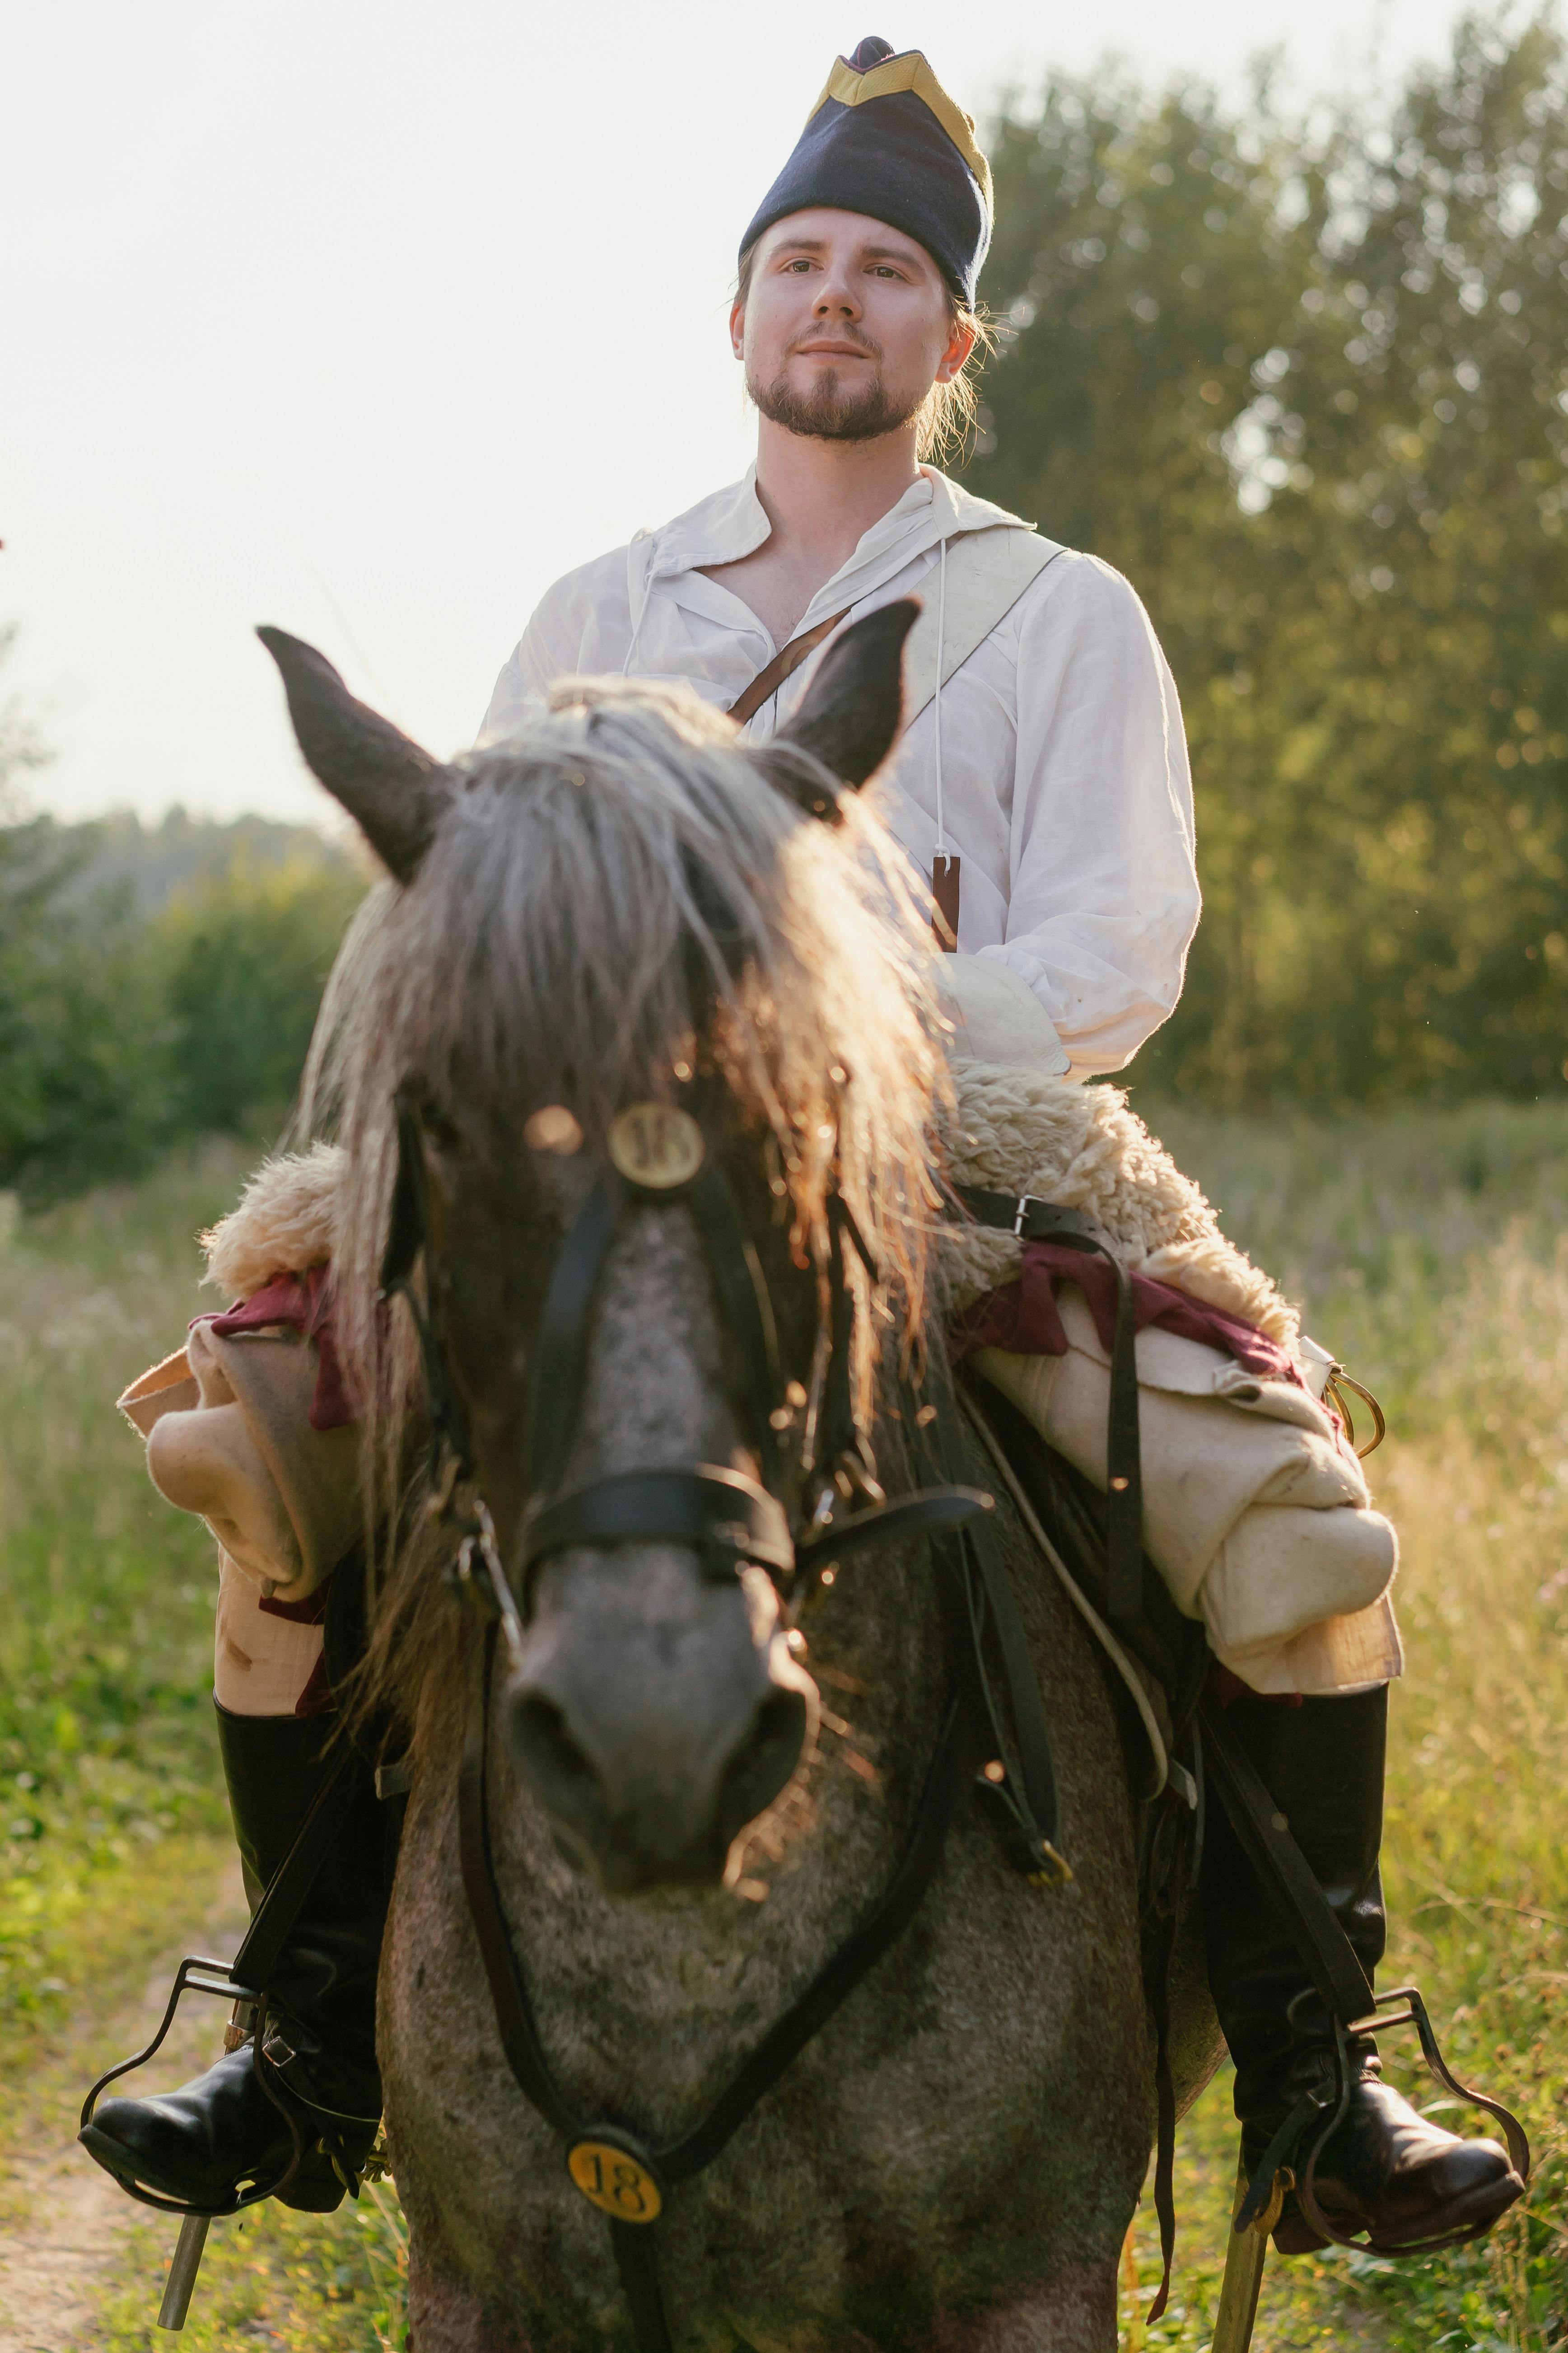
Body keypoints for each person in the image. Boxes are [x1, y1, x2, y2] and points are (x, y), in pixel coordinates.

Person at [84, 34, 1522, 2257]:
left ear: (950, 340)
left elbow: (1122, 941)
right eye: (796, 263)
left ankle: (1320, 2073)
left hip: (963, 1161)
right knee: (262, 1450)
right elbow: (473, 902)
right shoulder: (597, 611)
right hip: (593, 1173)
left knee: (1298, 1532)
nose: (832, 300)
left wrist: (818, 1046)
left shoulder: (1059, 612)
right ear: (738, 315)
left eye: (880, 273)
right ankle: (300, 2026)